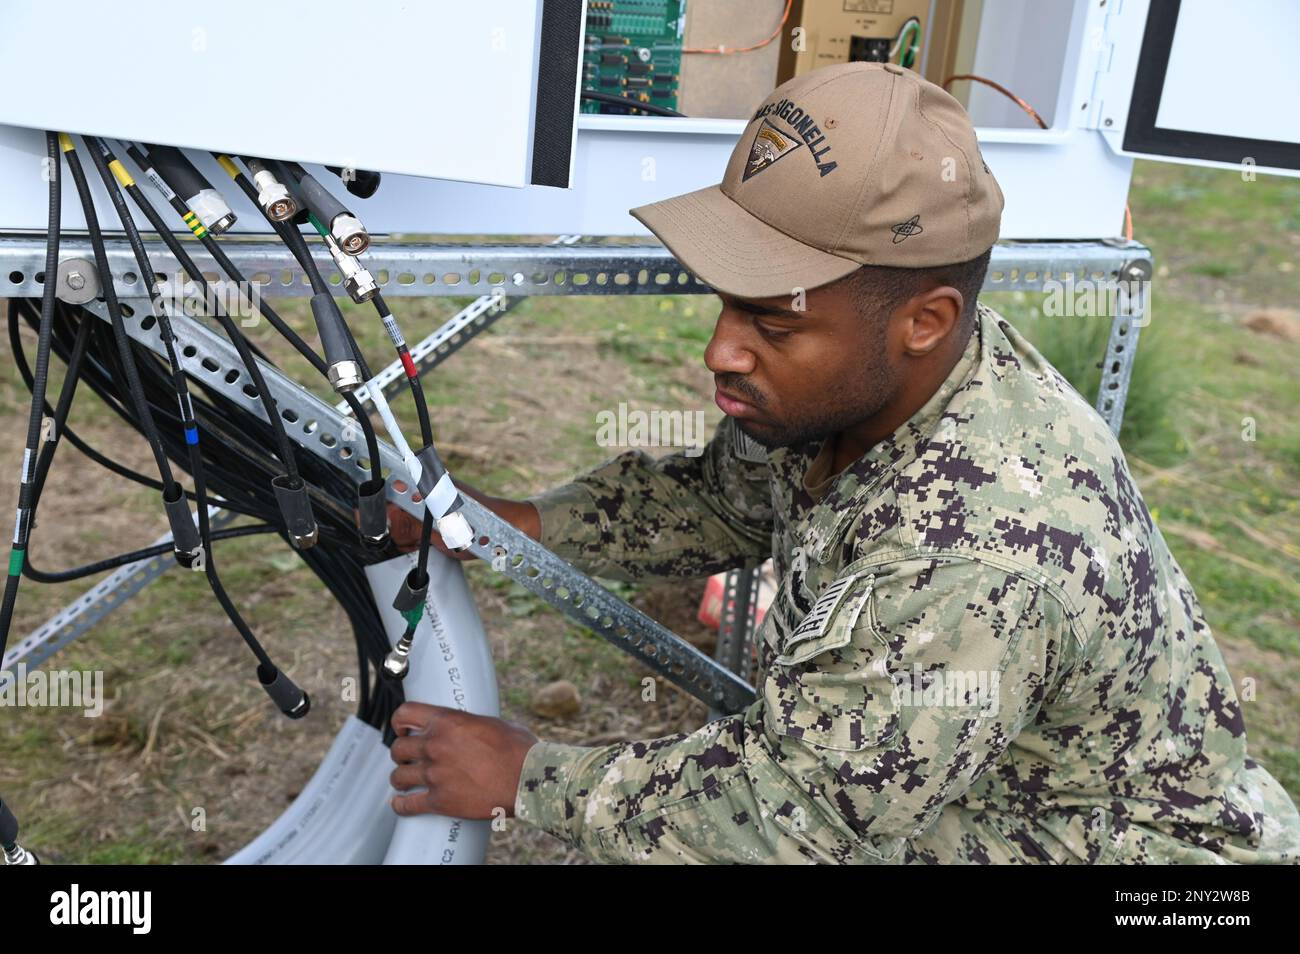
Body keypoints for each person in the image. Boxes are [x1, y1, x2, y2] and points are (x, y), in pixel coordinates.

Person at [379, 62, 1300, 864]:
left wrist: (526, 777)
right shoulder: (877, 381)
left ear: (925, 321)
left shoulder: (978, 555)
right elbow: (724, 498)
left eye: (771, 323)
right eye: (726, 305)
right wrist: (507, 526)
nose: (720, 351)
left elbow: (801, 821)